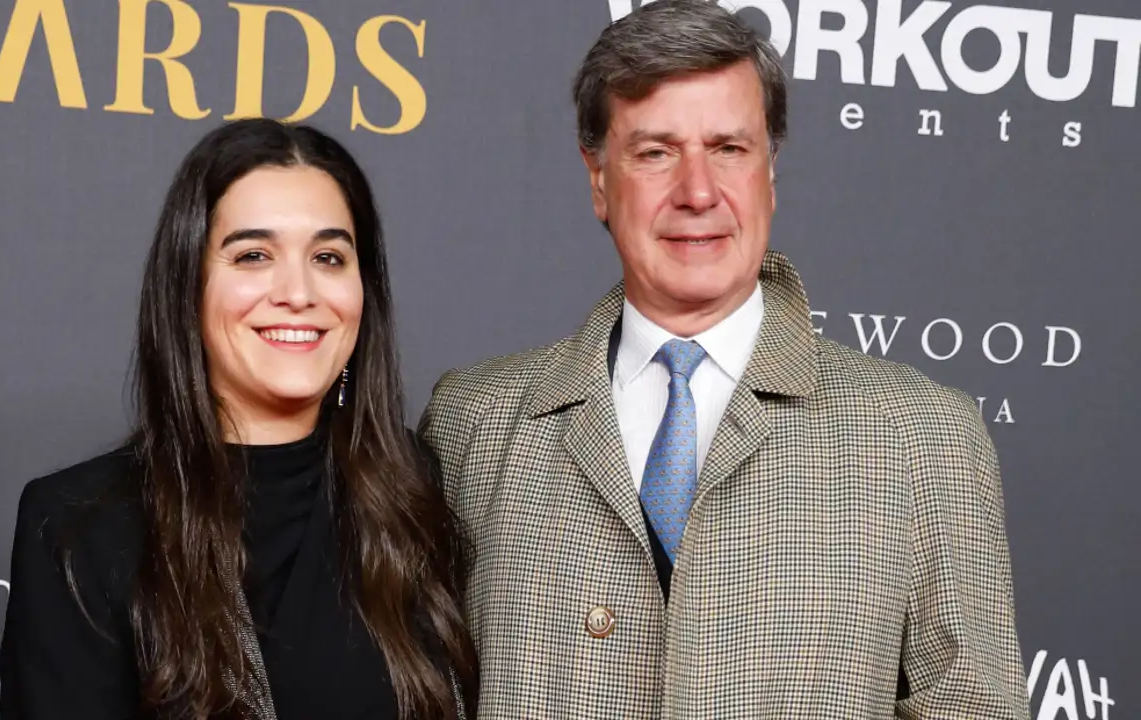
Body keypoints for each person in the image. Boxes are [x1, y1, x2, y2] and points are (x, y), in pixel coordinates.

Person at [417, 1, 1028, 717]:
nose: (697, 193)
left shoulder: (926, 437)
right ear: (597, 179)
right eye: (655, 152)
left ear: (770, 172)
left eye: (729, 149)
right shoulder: (473, 424)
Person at [0, 119, 475, 720]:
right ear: (189, 285)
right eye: (253, 255)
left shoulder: (430, 492)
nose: (298, 292)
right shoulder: (78, 526)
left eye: (329, 257)